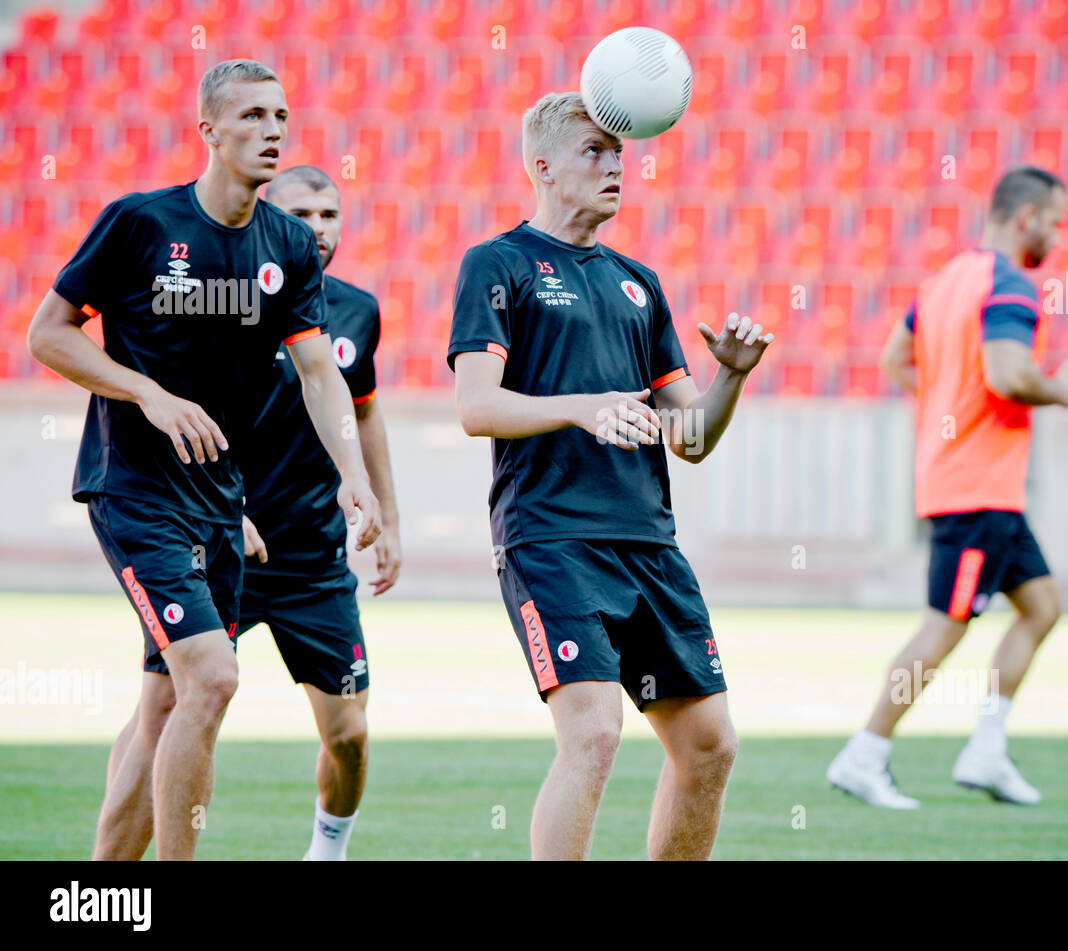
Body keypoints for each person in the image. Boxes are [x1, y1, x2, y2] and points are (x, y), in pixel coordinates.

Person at [28, 59, 381, 861]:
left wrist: (354, 477)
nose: (273, 131)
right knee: (213, 678)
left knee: (164, 710)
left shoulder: (288, 245)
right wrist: (144, 392)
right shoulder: (140, 225)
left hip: (220, 505)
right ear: (210, 131)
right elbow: (47, 334)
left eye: (282, 116)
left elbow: (321, 370)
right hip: (135, 489)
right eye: (253, 116)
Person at [447, 92, 773, 860]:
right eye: (594, 151)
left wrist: (729, 379)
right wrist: (582, 407)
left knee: (709, 743)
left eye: (619, 153)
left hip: (647, 542)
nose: (615, 165)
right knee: (594, 734)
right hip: (552, 537)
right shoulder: (498, 264)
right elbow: (475, 406)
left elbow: (688, 437)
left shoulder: (638, 282)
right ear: (543, 166)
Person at [97, 165, 400, 861]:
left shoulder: (356, 311)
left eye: (330, 214)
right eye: (302, 214)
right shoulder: (225, 301)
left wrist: (386, 512)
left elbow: (365, 410)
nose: (317, 230)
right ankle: (107, 884)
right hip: (212, 540)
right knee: (164, 709)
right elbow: (179, 407)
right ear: (268, 218)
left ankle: (327, 852)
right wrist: (221, 505)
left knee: (349, 733)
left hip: (312, 558)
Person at [827, 166, 1068, 809]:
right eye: (1054, 221)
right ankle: (866, 752)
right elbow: (1009, 376)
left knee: (1043, 604)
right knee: (944, 625)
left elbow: (894, 360)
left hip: (976, 484)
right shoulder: (1011, 284)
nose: (1056, 234)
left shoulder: (943, 282)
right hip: (979, 488)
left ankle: (987, 749)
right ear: (1027, 219)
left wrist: (947, 407)